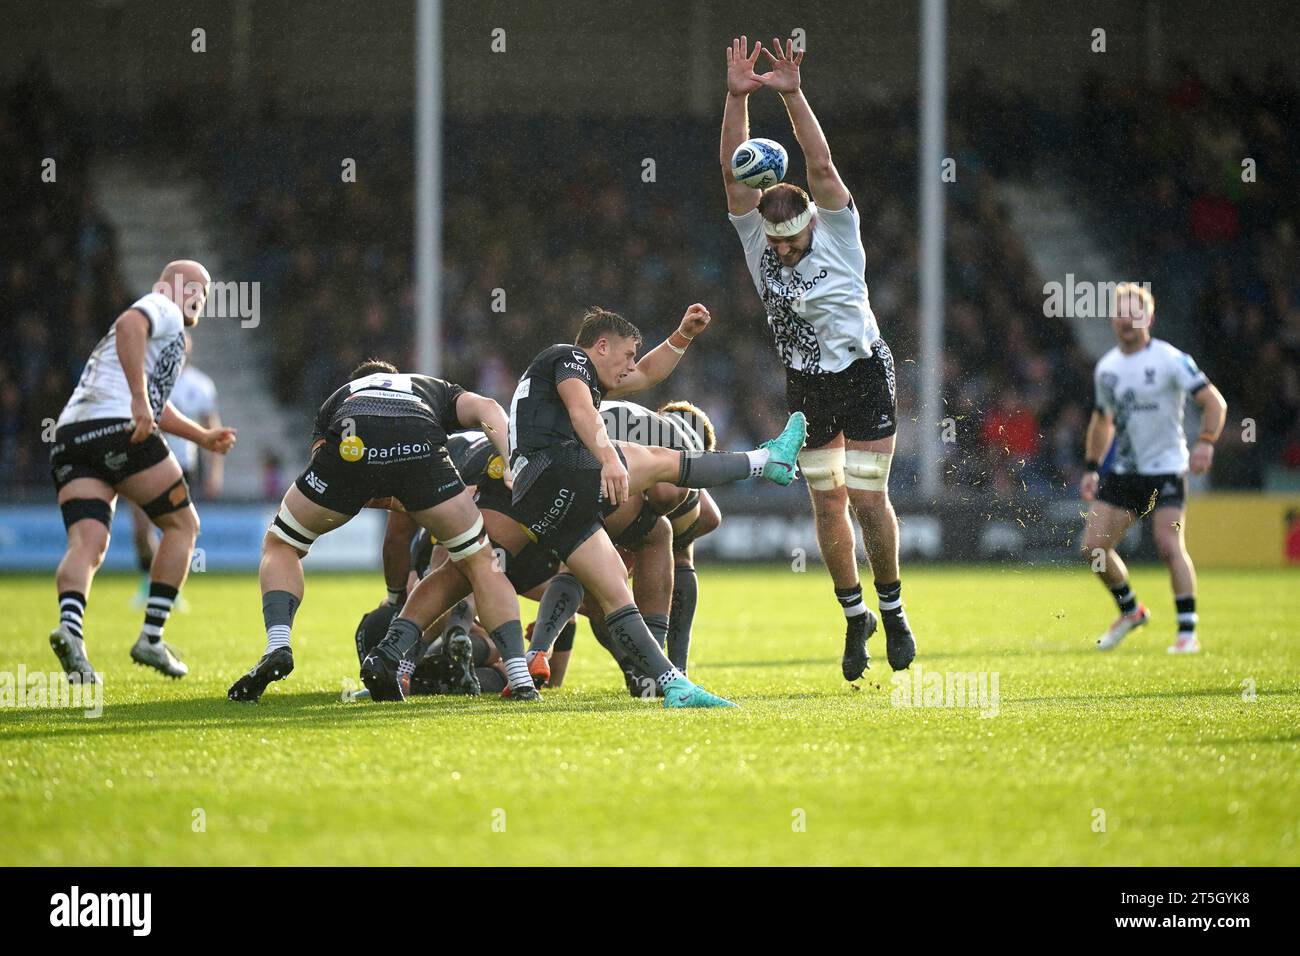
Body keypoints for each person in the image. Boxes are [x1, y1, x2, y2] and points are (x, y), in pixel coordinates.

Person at [360, 305, 807, 708]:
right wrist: (609, 458)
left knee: (499, 576)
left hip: (524, 491)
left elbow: (648, 374)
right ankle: (764, 461)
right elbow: (581, 412)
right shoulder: (568, 358)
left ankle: (388, 655)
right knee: (658, 461)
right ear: (601, 345)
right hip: (553, 465)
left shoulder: (588, 371)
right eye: (628, 353)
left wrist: (682, 337)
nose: (632, 364)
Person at [721, 36, 915, 681]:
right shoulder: (759, 237)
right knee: (826, 504)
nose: (780, 251)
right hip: (806, 385)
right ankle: (853, 614)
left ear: (810, 220)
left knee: (867, 497)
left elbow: (821, 160)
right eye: (771, 242)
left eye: (789, 239)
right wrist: (736, 98)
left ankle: (891, 606)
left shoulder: (835, 225)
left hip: (863, 371)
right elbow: (730, 171)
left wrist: (794, 93)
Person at [227, 360, 539, 702]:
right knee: (480, 561)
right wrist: (513, 462)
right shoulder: (428, 386)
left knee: (281, 543)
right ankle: (521, 678)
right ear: (397, 378)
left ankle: (278, 644)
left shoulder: (338, 399)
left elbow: (328, 472)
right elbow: (489, 408)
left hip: (352, 436)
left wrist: (376, 489)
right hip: (419, 441)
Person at [47, 260, 236, 681]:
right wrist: (136, 400)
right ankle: (151, 637)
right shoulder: (163, 308)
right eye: (200, 291)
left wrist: (202, 438)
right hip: (119, 429)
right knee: (183, 525)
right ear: (177, 287)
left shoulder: (161, 338)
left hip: (71, 436)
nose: (203, 300)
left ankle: (70, 630)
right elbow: (130, 325)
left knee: (88, 542)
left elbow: (158, 403)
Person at [1081, 283, 1227, 654]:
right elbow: (1102, 422)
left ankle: (1187, 632)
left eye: (1134, 312)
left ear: (1149, 317)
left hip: (1166, 470)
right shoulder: (1108, 369)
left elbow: (1214, 402)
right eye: (1120, 313)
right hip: (1126, 472)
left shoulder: (1170, 360)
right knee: (1094, 548)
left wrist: (1206, 442)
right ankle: (1131, 611)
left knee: (1168, 543)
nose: (1126, 320)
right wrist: (1092, 466)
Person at [128, 331, 222, 608]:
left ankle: (168, 589)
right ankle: (148, 582)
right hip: (142, 461)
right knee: (140, 529)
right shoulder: (147, 382)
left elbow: (211, 426)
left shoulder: (201, 385)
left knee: (176, 530)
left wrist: (215, 471)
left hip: (181, 465)